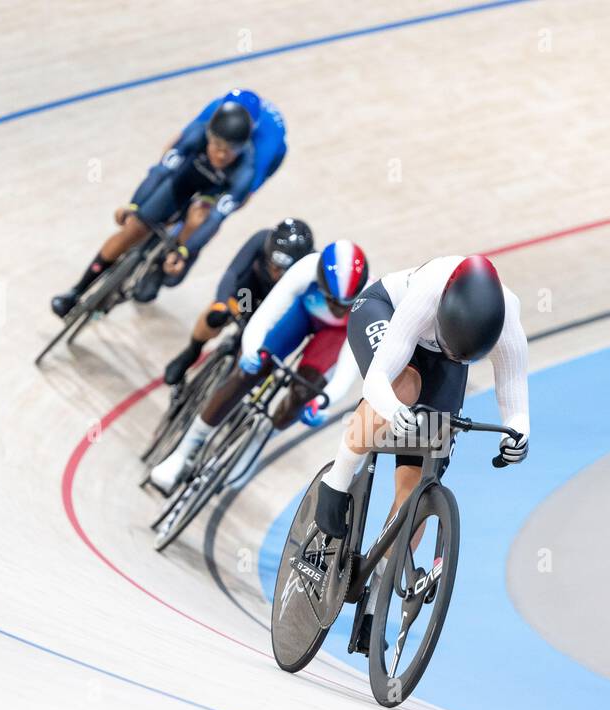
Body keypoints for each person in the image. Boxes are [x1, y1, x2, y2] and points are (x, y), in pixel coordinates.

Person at [311, 254, 531, 651]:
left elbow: (513, 388)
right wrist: (396, 413)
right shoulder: (427, 293)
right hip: (385, 312)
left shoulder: (506, 316)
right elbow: (376, 379)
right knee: (405, 385)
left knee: (419, 479)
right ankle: (338, 480)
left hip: (446, 350)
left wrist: (517, 433)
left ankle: (378, 589)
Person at [147, 240, 370, 494]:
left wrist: (325, 400)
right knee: (249, 372)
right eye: (333, 301)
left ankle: (256, 441)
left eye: (346, 304)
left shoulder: (368, 300)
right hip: (301, 315)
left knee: (305, 391)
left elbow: (347, 367)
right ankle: (182, 452)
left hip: (335, 336)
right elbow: (264, 316)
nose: (339, 309)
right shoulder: (305, 270)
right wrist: (252, 350)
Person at [50, 89, 286, 317]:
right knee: (135, 227)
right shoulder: (207, 122)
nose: (221, 155)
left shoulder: (258, 154)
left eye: (229, 149)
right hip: (194, 170)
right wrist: (135, 206)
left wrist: (185, 251)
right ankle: (77, 290)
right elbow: (164, 166)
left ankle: (166, 260)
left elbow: (225, 209)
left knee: (203, 215)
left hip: (222, 186)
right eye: (216, 145)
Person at [162, 218, 314, 388]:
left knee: (262, 363)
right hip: (249, 294)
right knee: (215, 316)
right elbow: (232, 273)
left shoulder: (311, 270)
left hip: (279, 308)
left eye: (282, 270)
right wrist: (221, 304)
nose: (276, 273)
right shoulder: (261, 239)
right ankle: (192, 351)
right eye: (273, 266)